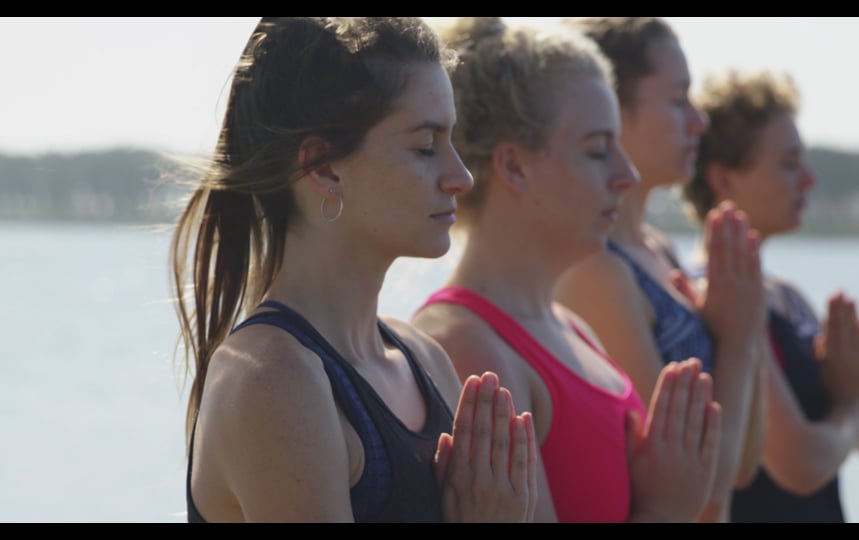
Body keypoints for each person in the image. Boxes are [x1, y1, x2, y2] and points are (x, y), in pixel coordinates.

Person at [169, 17, 538, 523]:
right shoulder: (271, 380)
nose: (461, 176)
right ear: (324, 167)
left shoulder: (426, 361)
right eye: (426, 147)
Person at [412, 17, 721, 523]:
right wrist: (667, 511)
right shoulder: (473, 351)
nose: (628, 176)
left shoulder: (570, 326)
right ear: (513, 166)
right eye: (598, 151)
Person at [556, 17, 767, 522]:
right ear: (610, 106)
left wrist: (744, 330)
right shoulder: (595, 271)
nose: (699, 121)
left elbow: (744, 465)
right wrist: (737, 339)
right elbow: (699, 494)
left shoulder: (661, 251)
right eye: (678, 100)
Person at [682, 69, 859, 522]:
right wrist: (857, 404)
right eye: (788, 164)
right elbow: (799, 465)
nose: (809, 180)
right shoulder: (711, 298)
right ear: (723, 180)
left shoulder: (786, 296)